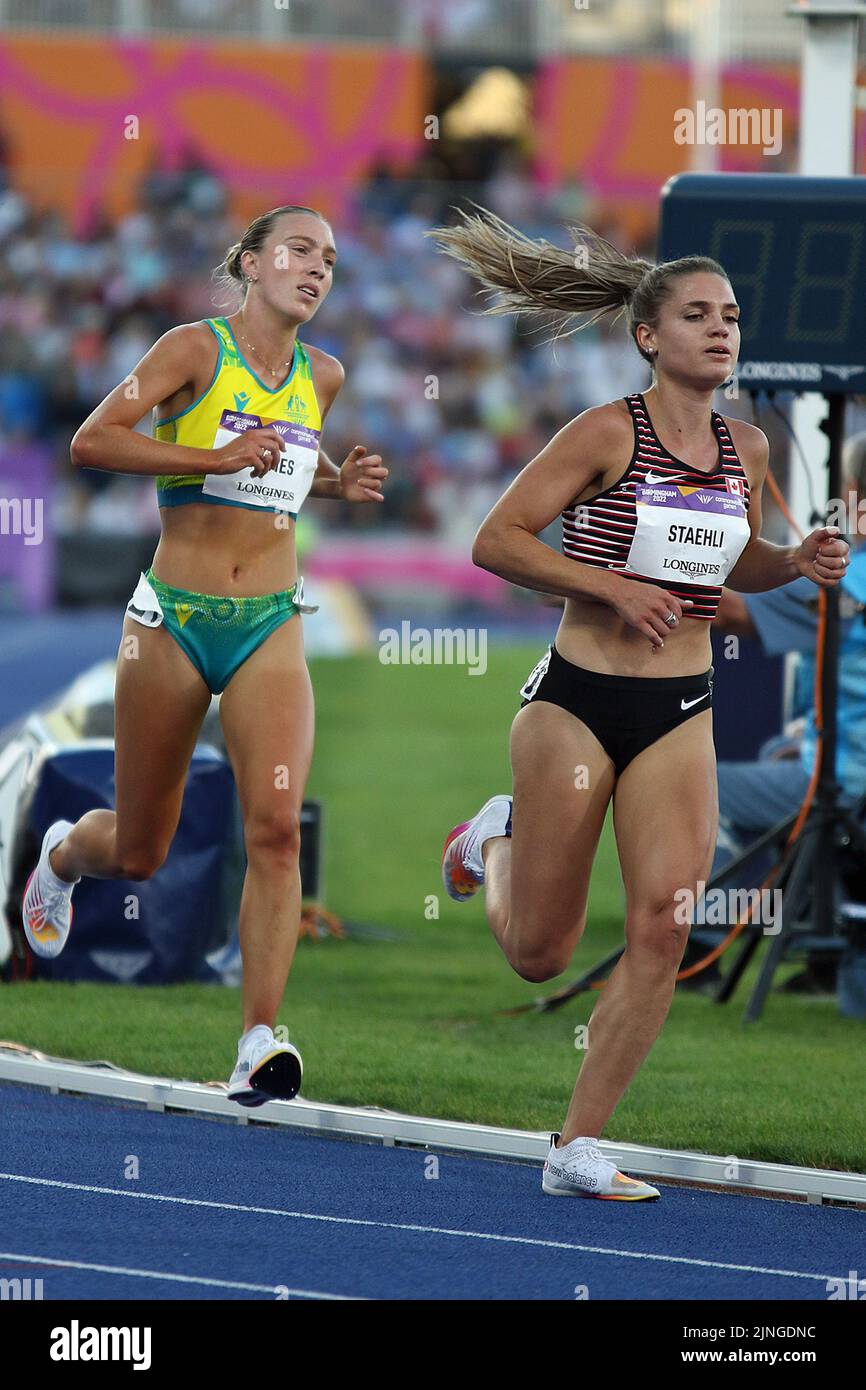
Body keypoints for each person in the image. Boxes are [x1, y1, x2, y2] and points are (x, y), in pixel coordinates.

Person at [432, 207, 848, 1201]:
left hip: (679, 709)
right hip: (575, 703)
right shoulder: (600, 432)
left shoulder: (744, 448)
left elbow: (728, 557)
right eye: (698, 313)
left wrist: (790, 560)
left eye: (732, 316)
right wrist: (608, 584)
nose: (721, 329)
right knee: (539, 952)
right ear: (647, 335)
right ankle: (489, 839)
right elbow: (495, 540)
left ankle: (575, 1142)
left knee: (665, 919)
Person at [21, 204, 387, 1106]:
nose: (317, 269)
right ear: (254, 263)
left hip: (270, 616)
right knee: (141, 849)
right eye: (300, 251)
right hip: (172, 618)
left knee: (273, 828)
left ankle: (257, 1041)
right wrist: (210, 452)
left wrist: (342, 482)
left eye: (331, 261)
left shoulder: (324, 375)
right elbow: (92, 441)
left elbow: (282, 474)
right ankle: (65, 856)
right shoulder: (194, 348)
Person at [712, 432, 866, 882]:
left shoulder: (844, 581)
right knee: (777, 749)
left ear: (853, 491)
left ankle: (702, 933)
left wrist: (615, 584)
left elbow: (729, 611)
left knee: (688, 788)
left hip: (848, 779)